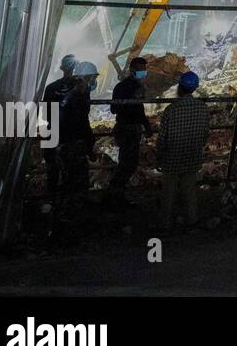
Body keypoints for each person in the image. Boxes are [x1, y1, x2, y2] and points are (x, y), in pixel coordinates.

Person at [156, 71, 210, 232]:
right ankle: (191, 220)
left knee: (168, 193)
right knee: (189, 191)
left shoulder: (171, 110)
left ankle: (165, 224)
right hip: (192, 156)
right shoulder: (202, 108)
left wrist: (159, 156)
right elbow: (205, 134)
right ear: (195, 88)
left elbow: (162, 138)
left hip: (172, 158)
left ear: (179, 87)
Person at [106, 57, 153, 203]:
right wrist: (146, 125)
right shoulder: (130, 87)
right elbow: (134, 110)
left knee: (126, 162)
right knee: (128, 164)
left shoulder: (121, 86)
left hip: (125, 128)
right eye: (141, 70)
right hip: (128, 128)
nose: (143, 72)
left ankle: (117, 195)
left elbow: (116, 109)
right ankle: (114, 194)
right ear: (132, 70)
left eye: (144, 69)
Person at [56, 61, 99, 215]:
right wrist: (89, 146)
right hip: (72, 144)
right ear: (84, 78)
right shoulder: (77, 98)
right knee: (75, 180)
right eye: (93, 78)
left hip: (67, 142)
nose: (94, 81)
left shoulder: (74, 94)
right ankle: (70, 214)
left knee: (71, 179)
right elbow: (82, 124)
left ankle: (68, 211)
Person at [42, 54, 77, 203]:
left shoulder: (51, 87)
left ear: (62, 67)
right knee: (70, 171)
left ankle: (51, 202)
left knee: (52, 170)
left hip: (52, 131)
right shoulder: (80, 88)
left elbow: (44, 115)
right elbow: (82, 114)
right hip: (70, 134)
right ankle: (66, 204)